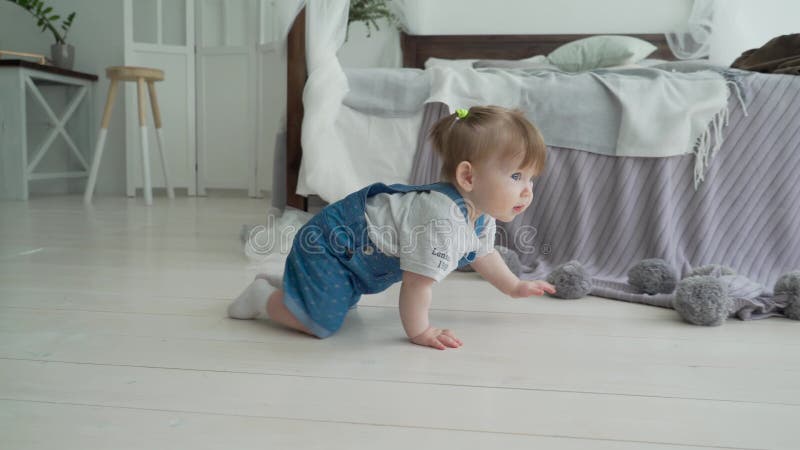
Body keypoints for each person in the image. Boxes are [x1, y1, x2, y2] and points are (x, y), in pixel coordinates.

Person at [228, 106, 556, 350]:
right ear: (468, 177)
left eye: (530, 178)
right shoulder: (441, 220)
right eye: (516, 177)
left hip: (354, 260)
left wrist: (513, 286)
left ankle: (291, 287)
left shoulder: (480, 215)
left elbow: (483, 253)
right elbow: (415, 285)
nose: (527, 190)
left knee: (341, 302)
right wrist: (420, 331)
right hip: (332, 245)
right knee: (321, 323)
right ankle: (263, 298)